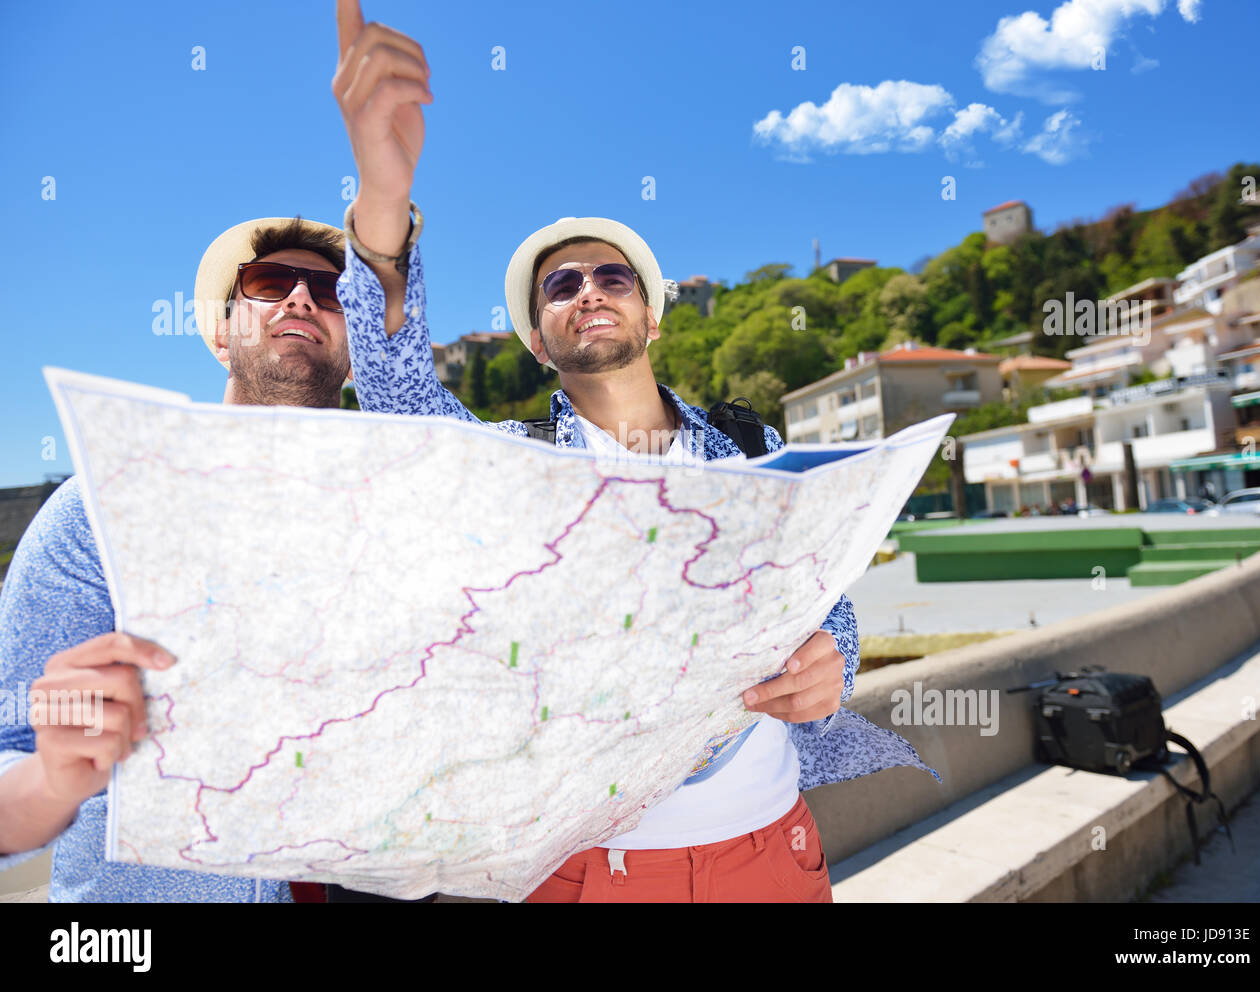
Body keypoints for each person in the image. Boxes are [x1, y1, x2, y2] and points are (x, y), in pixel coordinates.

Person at [332, 0, 935, 902]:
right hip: (592, 873)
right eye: (561, 285)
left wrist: (834, 660)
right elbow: (393, 386)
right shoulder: (510, 466)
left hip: (773, 852)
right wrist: (383, 196)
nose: (588, 290)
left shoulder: (748, 445)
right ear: (537, 340)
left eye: (612, 276)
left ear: (651, 314)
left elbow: (825, 600)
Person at [0, 216, 353, 901]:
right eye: (270, 283)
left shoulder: (407, 519)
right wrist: (50, 782)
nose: (303, 300)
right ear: (221, 336)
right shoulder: (98, 512)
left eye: (332, 293)